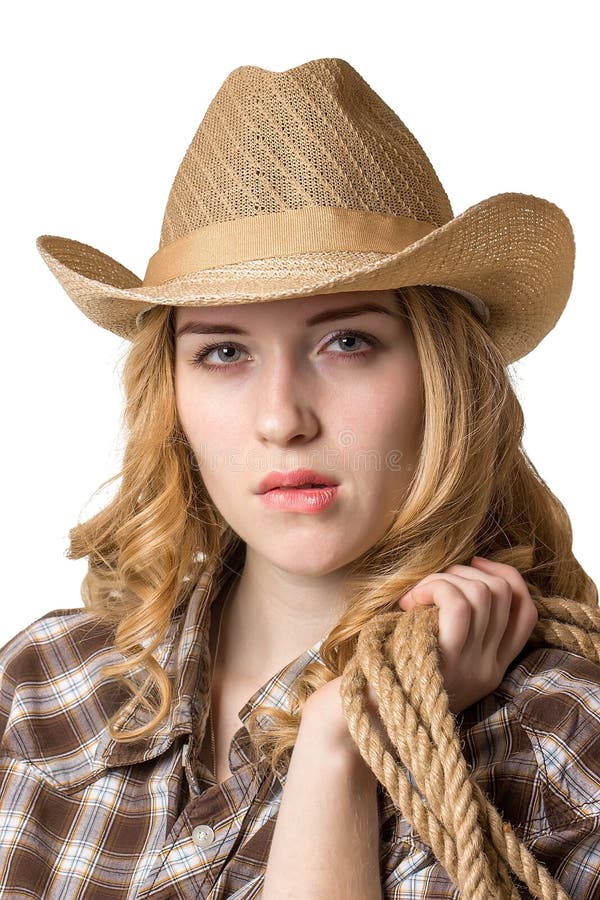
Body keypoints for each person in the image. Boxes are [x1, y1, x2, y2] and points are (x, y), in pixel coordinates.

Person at [0, 56, 598, 899]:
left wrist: (339, 750)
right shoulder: (41, 688)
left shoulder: (561, 742)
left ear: (443, 377)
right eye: (224, 352)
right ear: (171, 394)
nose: (283, 418)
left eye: (347, 341)